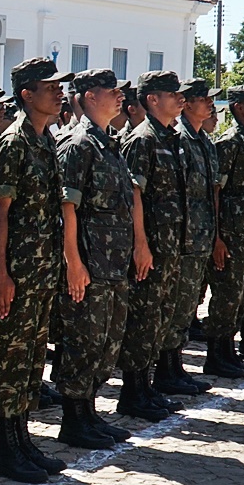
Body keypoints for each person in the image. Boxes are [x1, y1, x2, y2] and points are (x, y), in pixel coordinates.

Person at [0, 57, 73, 482]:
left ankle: (22, 440)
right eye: (49, 87)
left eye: (60, 87)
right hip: (17, 272)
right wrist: (0, 273)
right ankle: (6, 449)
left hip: (40, 270)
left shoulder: (45, 140)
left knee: (32, 358)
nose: (59, 93)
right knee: (9, 358)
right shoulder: (14, 142)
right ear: (26, 95)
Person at [53, 69, 144, 451]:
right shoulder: (79, 144)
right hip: (90, 263)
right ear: (90, 96)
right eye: (112, 91)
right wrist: (74, 262)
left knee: (105, 343)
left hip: (112, 263)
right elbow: (66, 207)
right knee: (83, 341)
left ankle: (89, 413)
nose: (120, 97)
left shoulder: (107, 141)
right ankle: (74, 420)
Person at [115, 71, 192, 421]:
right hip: (151, 247)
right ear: (151, 100)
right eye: (171, 94)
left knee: (159, 316)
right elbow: (133, 196)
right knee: (143, 318)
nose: (179, 99)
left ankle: (146, 387)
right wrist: (140, 244)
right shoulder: (142, 139)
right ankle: (132, 392)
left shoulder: (171, 137)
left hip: (171, 245)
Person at [203, 85, 244, 378]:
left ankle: (229, 351)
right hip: (229, 233)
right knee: (227, 296)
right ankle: (216, 355)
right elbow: (216, 191)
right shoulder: (229, 143)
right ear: (239, 107)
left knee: (242, 294)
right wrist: (217, 238)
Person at [163, 78, 220, 394]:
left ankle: (176, 366)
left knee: (186, 307)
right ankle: (167, 370)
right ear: (186, 102)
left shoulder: (205, 142)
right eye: (204, 99)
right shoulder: (180, 140)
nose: (210, 104)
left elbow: (211, 194)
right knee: (174, 308)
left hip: (200, 237)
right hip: (181, 240)